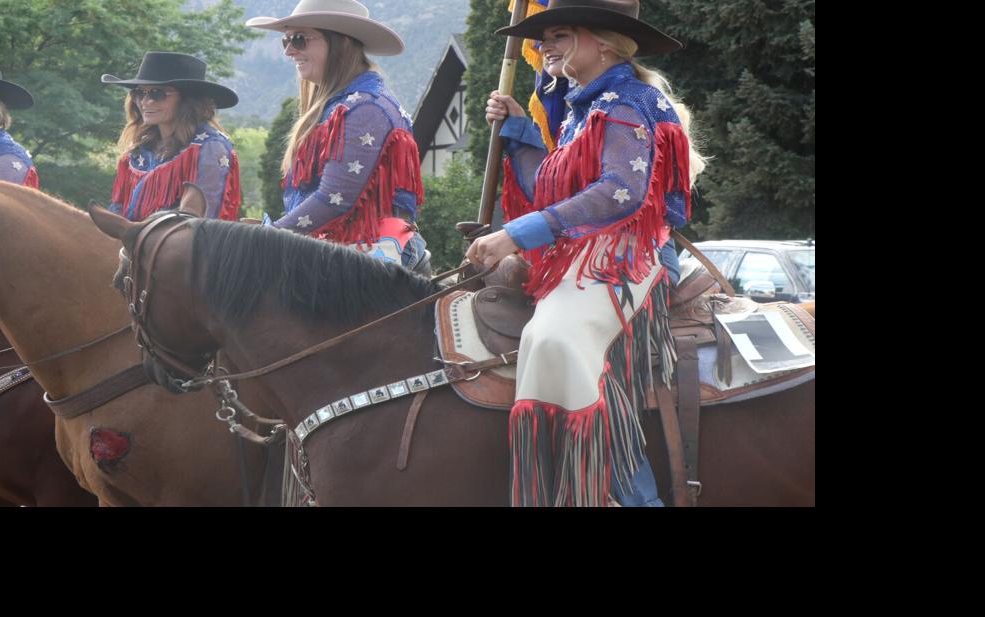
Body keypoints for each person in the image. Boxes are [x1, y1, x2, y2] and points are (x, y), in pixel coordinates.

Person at [466, 0, 705, 507]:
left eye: (558, 35)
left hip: (629, 257)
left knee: (554, 339)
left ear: (603, 42)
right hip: (585, 255)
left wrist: (515, 234)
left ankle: (628, 499)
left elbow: (621, 190)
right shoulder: (584, 106)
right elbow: (557, 195)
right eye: (540, 38)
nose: (541, 46)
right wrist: (518, 134)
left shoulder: (625, 101)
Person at [248, 0, 429, 271]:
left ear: (340, 43)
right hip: (340, 249)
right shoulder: (345, 104)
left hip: (369, 256)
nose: (289, 51)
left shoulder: (366, 107)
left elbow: (335, 199)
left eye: (299, 39)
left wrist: (268, 235)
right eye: (285, 41)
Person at [104, 52, 243, 221]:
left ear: (187, 99)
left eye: (157, 93)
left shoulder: (209, 148)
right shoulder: (137, 152)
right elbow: (117, 209)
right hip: (130, 245)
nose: (145, 102)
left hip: (181, 246)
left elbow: (199, 221)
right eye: (139, 93)